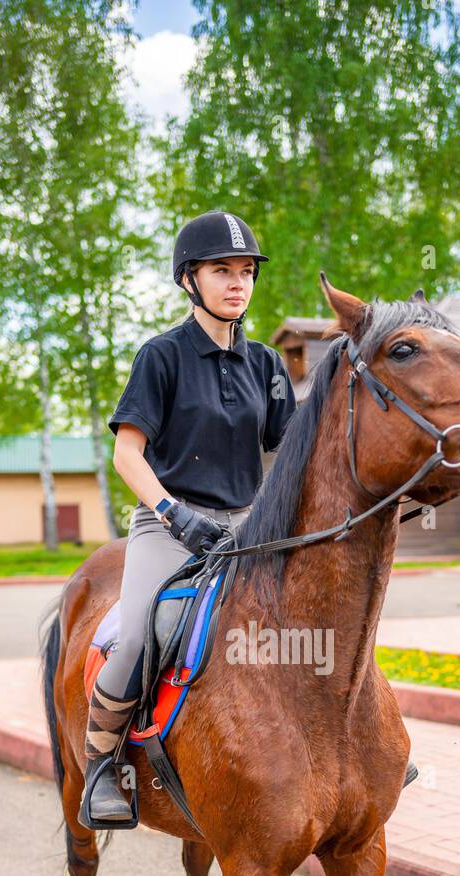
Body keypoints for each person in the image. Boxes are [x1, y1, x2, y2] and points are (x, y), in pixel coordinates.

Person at [79, 210, 298, 829]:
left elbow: (291, 450)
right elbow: (127, 454)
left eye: (246, 271)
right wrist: (173, 513)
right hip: (167, 521)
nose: (238, 283)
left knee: (319, 611)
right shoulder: (162, 356)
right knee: (142, 635)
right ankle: (103, 766)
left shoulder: (266, 365)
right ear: (189, 280)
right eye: (221, 270)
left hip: (247, 527)